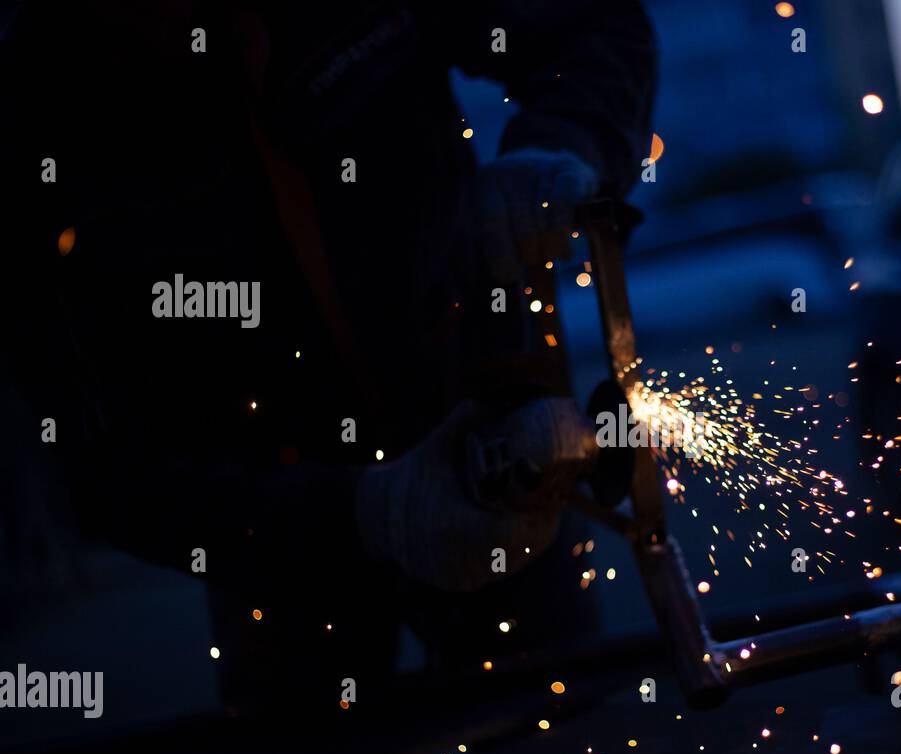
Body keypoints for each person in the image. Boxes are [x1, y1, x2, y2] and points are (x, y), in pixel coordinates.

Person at [1, 0, 656, 715]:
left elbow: (591, 22)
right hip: (271, 534)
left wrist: (560, 147)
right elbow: (93, 465)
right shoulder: (40, 86)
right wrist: (360, 516)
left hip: (487, 446)